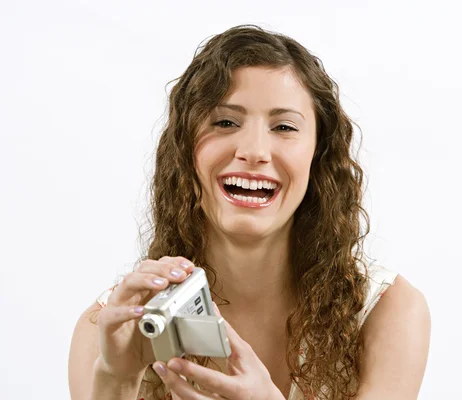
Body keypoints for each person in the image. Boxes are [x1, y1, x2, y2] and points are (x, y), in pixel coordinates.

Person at [68, 24, 431, 400]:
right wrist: (117, 379)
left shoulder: (389, 311)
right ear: (184, 151)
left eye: (284, 127)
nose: (254, 150)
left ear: (318, 157)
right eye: (225, 122)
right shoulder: (107, 330)